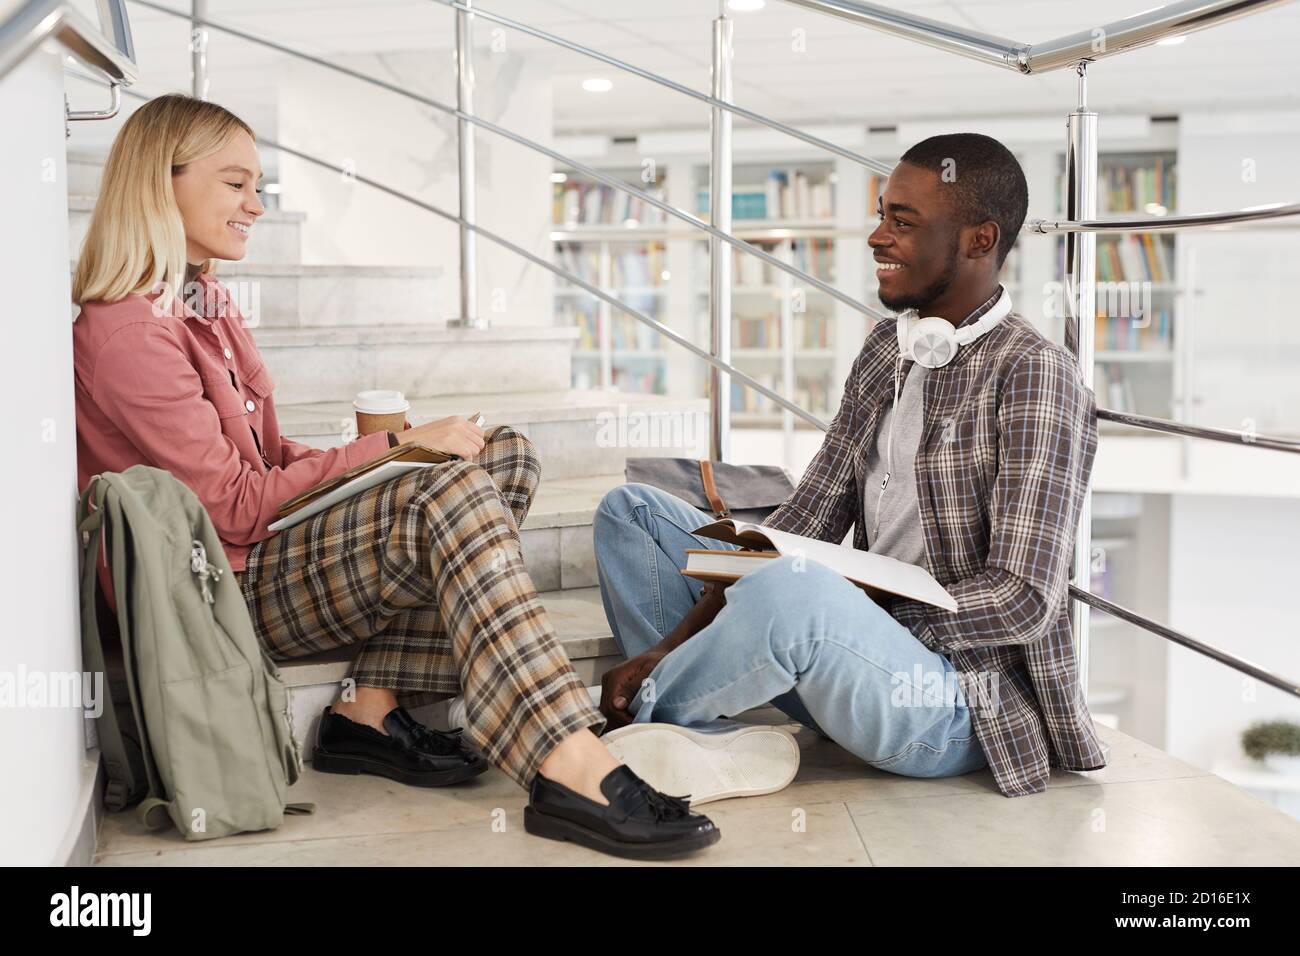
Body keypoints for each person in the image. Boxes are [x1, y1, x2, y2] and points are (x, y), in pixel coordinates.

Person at [71, 93, 718, 859]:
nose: (256, 203)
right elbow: (234, 511)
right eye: (236, 183)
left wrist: (401, 452)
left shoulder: (201, 298)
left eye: (259, 185)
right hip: (221, 590)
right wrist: (391, 455)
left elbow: (271, 462)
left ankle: (367, 709)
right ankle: (568, 759)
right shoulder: (126, 333)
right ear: (161, 183)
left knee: (499, 453)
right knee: (446, 488)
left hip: (259, 554)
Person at [593, 133, 1107, 798]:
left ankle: (650, 722)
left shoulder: (1035, 374)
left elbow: (1025, 599)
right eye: (881, 215)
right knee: (634, 514)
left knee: (797, 589)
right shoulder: (886, 350)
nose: (877, 238)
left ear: (981, 241)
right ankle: (698, 728)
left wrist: (859, 608)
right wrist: (670, 643)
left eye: (903, 222)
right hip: (848, 658)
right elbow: (804, 519)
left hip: (953, 702)